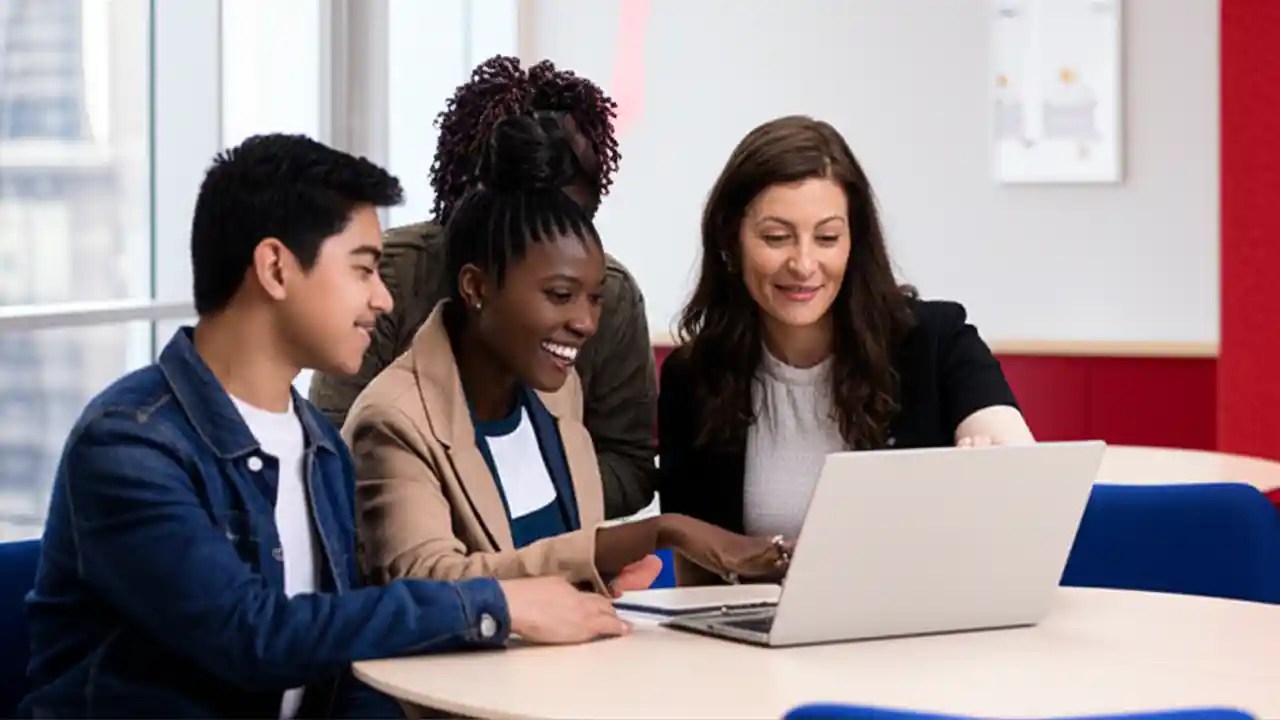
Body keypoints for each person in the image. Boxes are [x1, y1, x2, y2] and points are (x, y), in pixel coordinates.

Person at [19, 134, 628, 719]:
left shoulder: (319, 448)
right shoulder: (129, 444)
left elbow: (338, 666)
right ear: (276, 269)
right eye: (363, 269)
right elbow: (252, 637)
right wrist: (498, 604)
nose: (384, 299)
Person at [343, 115, 791, 594]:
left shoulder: (558, 392)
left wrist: (603, 579)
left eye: (595, 297)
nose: (586, 323)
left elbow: (557, 560)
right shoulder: (393, 421)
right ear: (476, 288)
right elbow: (430, 584)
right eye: (560, 295)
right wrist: (660, 531)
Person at [659, 115, 1035, 586]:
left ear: (854, 243)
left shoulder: (936, 340)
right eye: (776, 237)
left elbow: (1019, 464)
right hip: (756, 651)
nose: (803, 264)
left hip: (924, 639)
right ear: (730, 240)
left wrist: (991, 462)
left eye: (827, 237)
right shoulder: (692, 379)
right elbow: (696, 583)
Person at [309, 55, 656, 520]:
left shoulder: (610, 299)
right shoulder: (389, 277)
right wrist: (464, 487)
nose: (582, 319)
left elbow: (630, 466)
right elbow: (331, 454)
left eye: (573, 220)